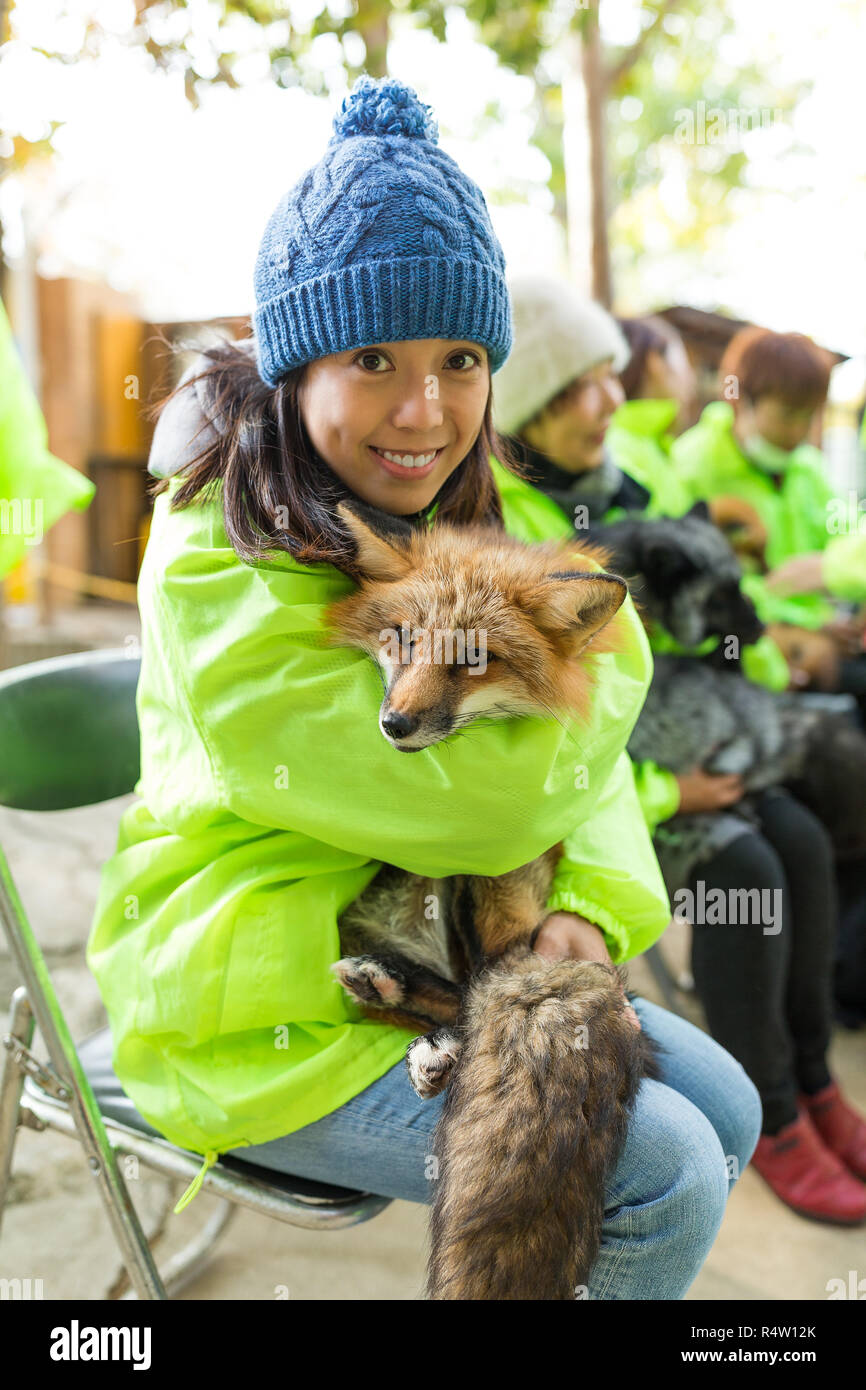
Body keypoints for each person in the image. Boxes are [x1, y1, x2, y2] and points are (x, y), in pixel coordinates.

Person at [85, 77, 762, 1299]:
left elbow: (582, 779)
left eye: (462, 358)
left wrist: (592, 913)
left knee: (727, 1105)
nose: (425, 408)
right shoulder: (212, 560)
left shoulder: (456, 513)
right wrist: (602, 680)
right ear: (295, 367)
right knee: (664, 1171)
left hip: (462, 951)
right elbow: (476, 800)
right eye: (372, 358)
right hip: (262, 999)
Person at [492, 274, 866, 1225]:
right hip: (601, 797)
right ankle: (773, 1117)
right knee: (748, 865)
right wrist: (666, 792)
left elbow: (711, 641)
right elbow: (539, 735)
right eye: (580, 386)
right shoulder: (505, 529)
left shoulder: (635, 488)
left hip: (694, 745)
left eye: (610, 377)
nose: (611, 401)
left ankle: (818, 1085)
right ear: (530, 405)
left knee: (806, 844)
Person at [672, 326, 865, 694]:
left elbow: (850, 533)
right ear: (741, 399)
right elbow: (699, 583)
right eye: (789, 414)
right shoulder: (693, 466)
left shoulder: (806, 466)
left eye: (810, 416)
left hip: (825, 640)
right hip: (742, 650)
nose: (800, 431)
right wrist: (798, 624)